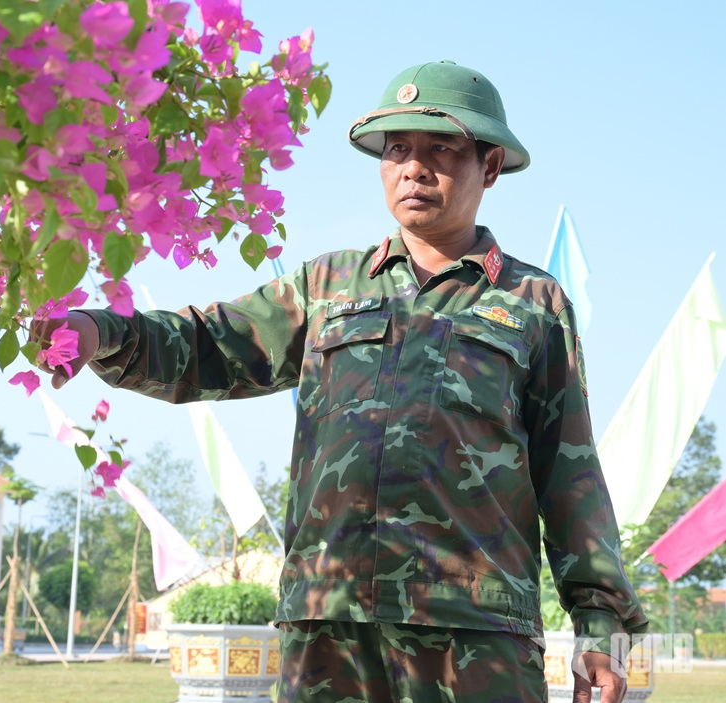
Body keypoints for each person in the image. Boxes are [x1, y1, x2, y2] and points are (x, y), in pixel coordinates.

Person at [33, 61, 648, 702]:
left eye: (442, 149)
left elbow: (569, 471)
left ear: (489, 166)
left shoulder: (531, 301)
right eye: (398, 150)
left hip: (474, 635)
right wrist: (99, 331)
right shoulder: (326, 288)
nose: (414, 167)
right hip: (329, 627)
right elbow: (208, 344)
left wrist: (599, 623)